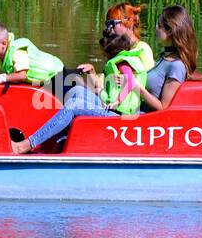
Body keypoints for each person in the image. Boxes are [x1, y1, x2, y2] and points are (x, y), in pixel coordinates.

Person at [13, 28, 148, 153]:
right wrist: (92, 75)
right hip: (112, 109)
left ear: (109, 53)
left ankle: (26, 145)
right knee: (76, 90)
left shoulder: (123, 63)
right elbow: (105, 92)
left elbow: (130, 82)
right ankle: (62, 140)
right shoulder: (123, 62)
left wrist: (117, 101)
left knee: (74, 105)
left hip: (121, 116)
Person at [127, 5, 202, 112]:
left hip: (143, 118)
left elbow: (164, 108)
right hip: (136, 109)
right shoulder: (165, 57)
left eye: (159, 25)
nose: (156, 28)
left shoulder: (176, 65)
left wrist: (138, 88)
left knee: (93, 109)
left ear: (171, 30)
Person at [0, 21, 64, 89]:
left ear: (4, 44)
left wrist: (1, 78)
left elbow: (21, 76)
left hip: (57, 76)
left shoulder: (17, 52)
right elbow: (14, 76)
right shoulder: (0, 57)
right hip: (43, 81)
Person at [104, 2, 156, 73]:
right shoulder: (116, 49)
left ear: (129, 22)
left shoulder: (142, 49)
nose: (109, 28)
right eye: (107, 24)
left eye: (112, 23)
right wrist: (91, 73)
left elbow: (149, 80)